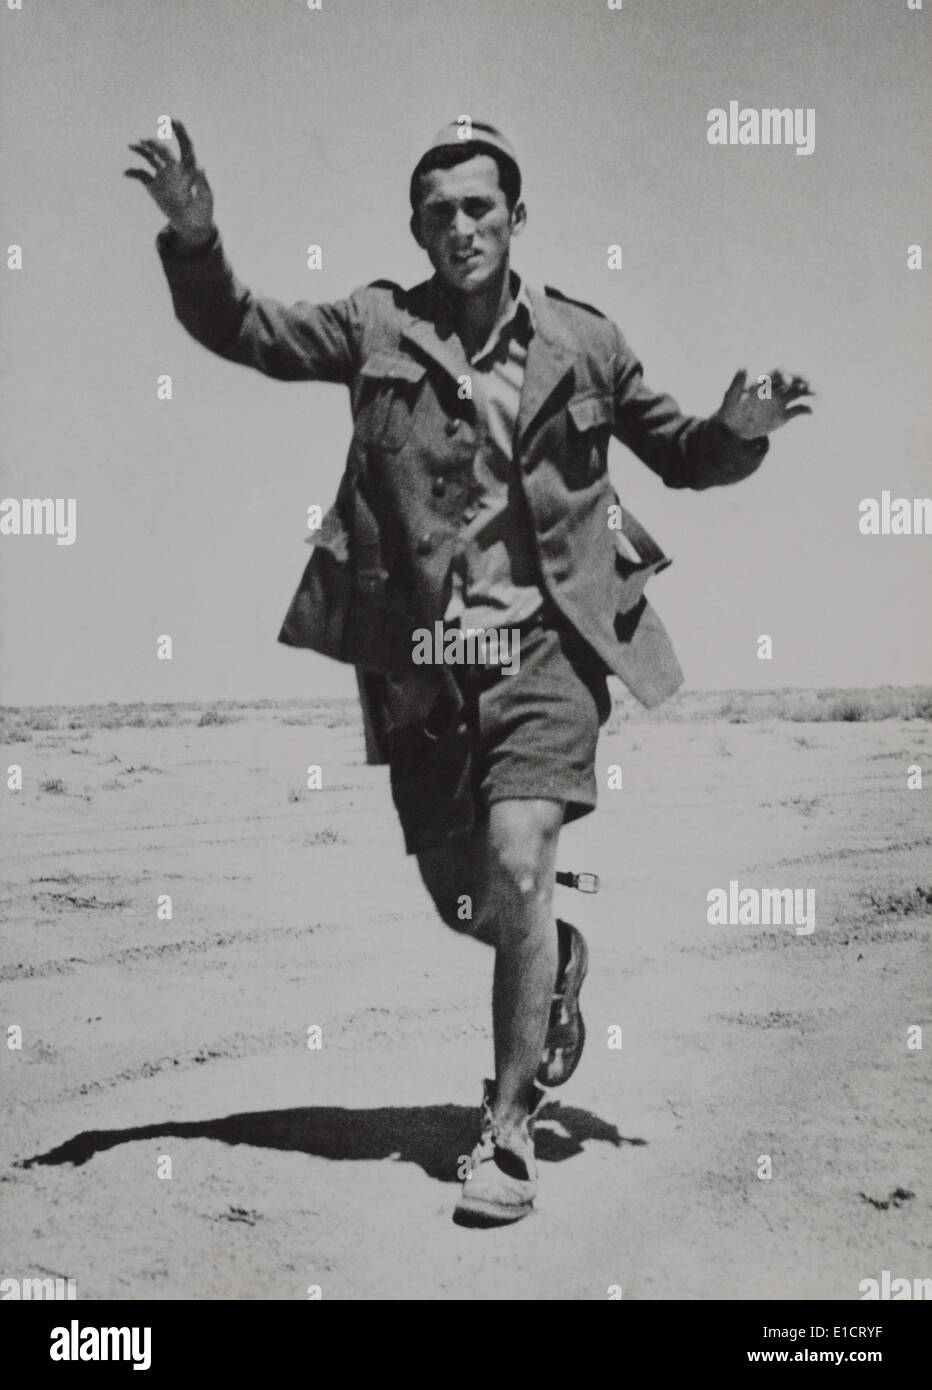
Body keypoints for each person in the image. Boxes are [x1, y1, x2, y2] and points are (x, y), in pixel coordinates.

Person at [125, 117, 813, 1227]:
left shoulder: (585, 343)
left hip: (546, 652)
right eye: (438, 210)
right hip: (425, 664)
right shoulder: (376, 323)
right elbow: (246, 329)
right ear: (416, 228)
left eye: (479, 205)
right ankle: (556, 963)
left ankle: (502, 1127)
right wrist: (196, 239)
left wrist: (738, 430)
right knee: (469, 902)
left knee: (518, 856)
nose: (460, 225)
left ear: (514, 218)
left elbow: (683, 454)